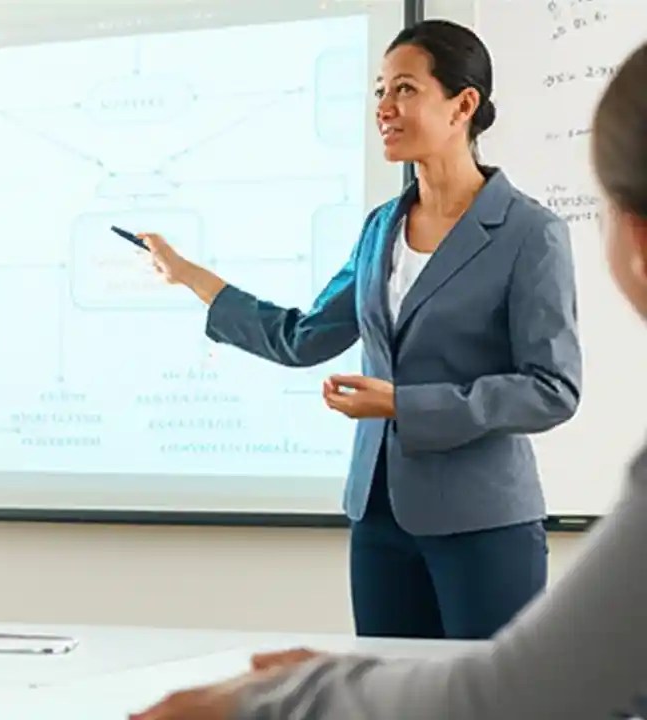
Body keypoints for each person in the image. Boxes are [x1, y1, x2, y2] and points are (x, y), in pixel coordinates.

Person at [131, 37, 647, 720]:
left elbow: (552, 387)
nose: (384, 107)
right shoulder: (381, 227)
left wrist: (405, 404)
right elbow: (303, 336)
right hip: (378, 518)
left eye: (404, 89)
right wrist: (193, 279)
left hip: (481, 523)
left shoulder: (529, 232)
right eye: (379, 91)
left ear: (463, 104)